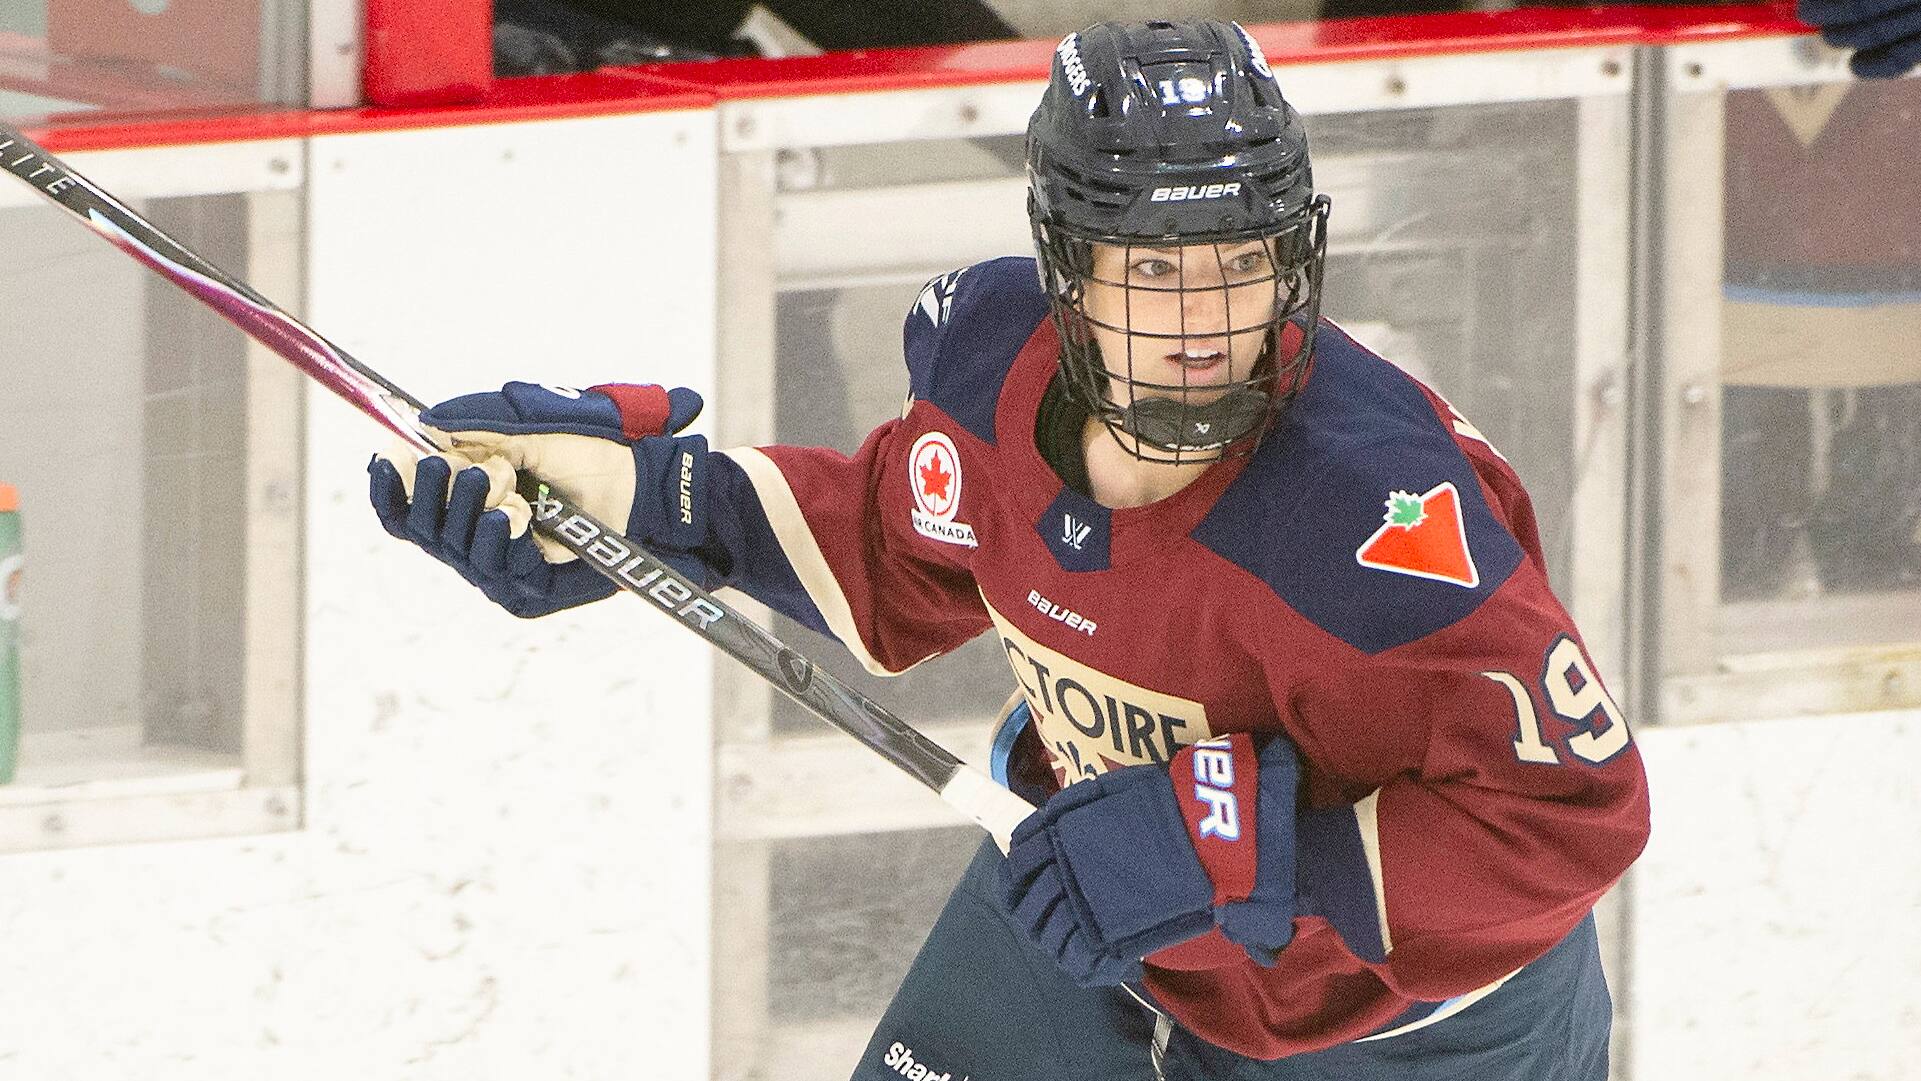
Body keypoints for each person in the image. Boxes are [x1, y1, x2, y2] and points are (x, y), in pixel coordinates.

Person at [368, 19, 1650, 1080]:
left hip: (1395, 1025)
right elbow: (897, 542)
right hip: (1082, 896)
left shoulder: (1378, 518)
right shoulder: (992, 363)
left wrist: (1251, 853)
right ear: (1067, 272)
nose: (1206, 324)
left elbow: (1570, 819)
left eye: (1242, 264)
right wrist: (649, 500)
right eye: (1154, 273)